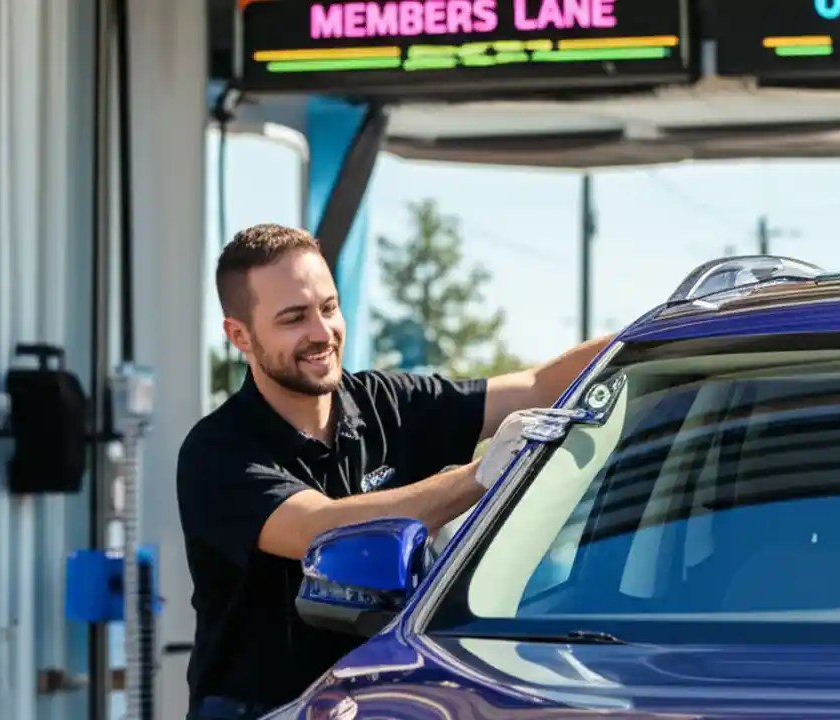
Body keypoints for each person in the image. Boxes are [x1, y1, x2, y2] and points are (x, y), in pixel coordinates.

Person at [176, 223, 612, 719]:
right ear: (240, 336)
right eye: (294, 318)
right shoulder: (217, 451)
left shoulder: (388, 402)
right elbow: (320, 528)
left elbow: (535, 387)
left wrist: (657, 329)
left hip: (384, 701)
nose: (321, 332)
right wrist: (479, 476)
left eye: (328, 308)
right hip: (260, 710)